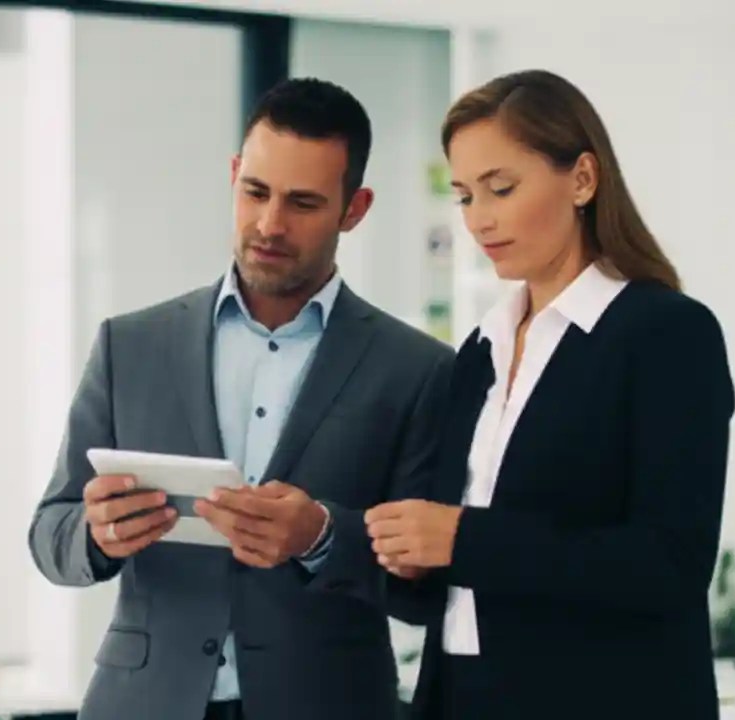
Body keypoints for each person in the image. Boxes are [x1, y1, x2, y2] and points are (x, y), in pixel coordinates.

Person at [29, 78, 453, 720]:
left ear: (355, 208)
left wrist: (321, 535)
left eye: (304, 203)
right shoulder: (130, 344)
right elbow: (48, 532)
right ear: (234, 174)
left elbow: (427, 590)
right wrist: (95, 533)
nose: (269, 224)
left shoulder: (418, 370)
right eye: (255, 191)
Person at [364, 69, 735, 719]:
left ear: (583, 180)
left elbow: (669, 565)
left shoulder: (667, 334)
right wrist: (411, 562)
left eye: (501, 189)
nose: (480, 219)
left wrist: (461, 539)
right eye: (464, 197)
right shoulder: (479, 354)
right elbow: (451, 593)